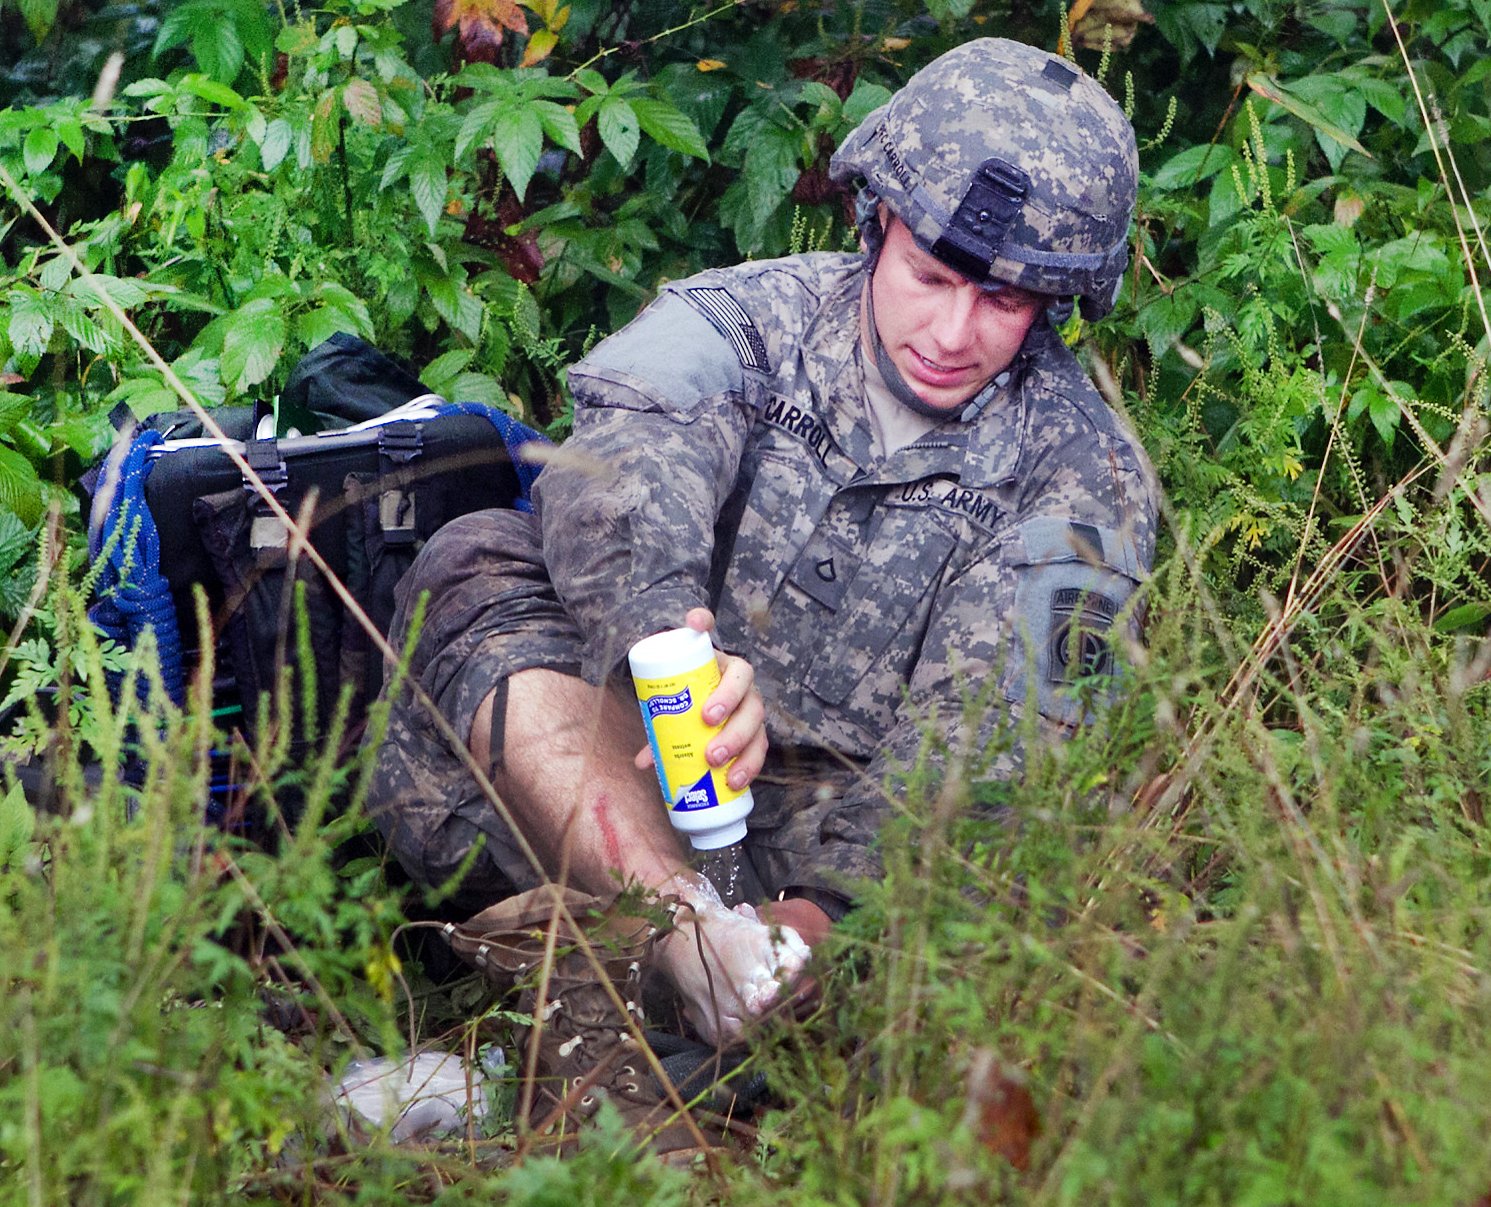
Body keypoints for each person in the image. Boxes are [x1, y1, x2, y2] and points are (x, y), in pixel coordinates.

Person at [366, 36, 1158, 1138]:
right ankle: (675, 949)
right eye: (931, 275)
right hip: (618, 780)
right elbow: (617, 469)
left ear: (1055, 306)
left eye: (1005, 301)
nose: (951, 331)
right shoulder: (740, 319)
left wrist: (803, 933)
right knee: (478, 561)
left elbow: (991, 753)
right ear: (876, 222)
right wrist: (669, 653)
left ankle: (611, 1036)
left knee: (987, 891)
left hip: (830, 879)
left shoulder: (1082, 476)